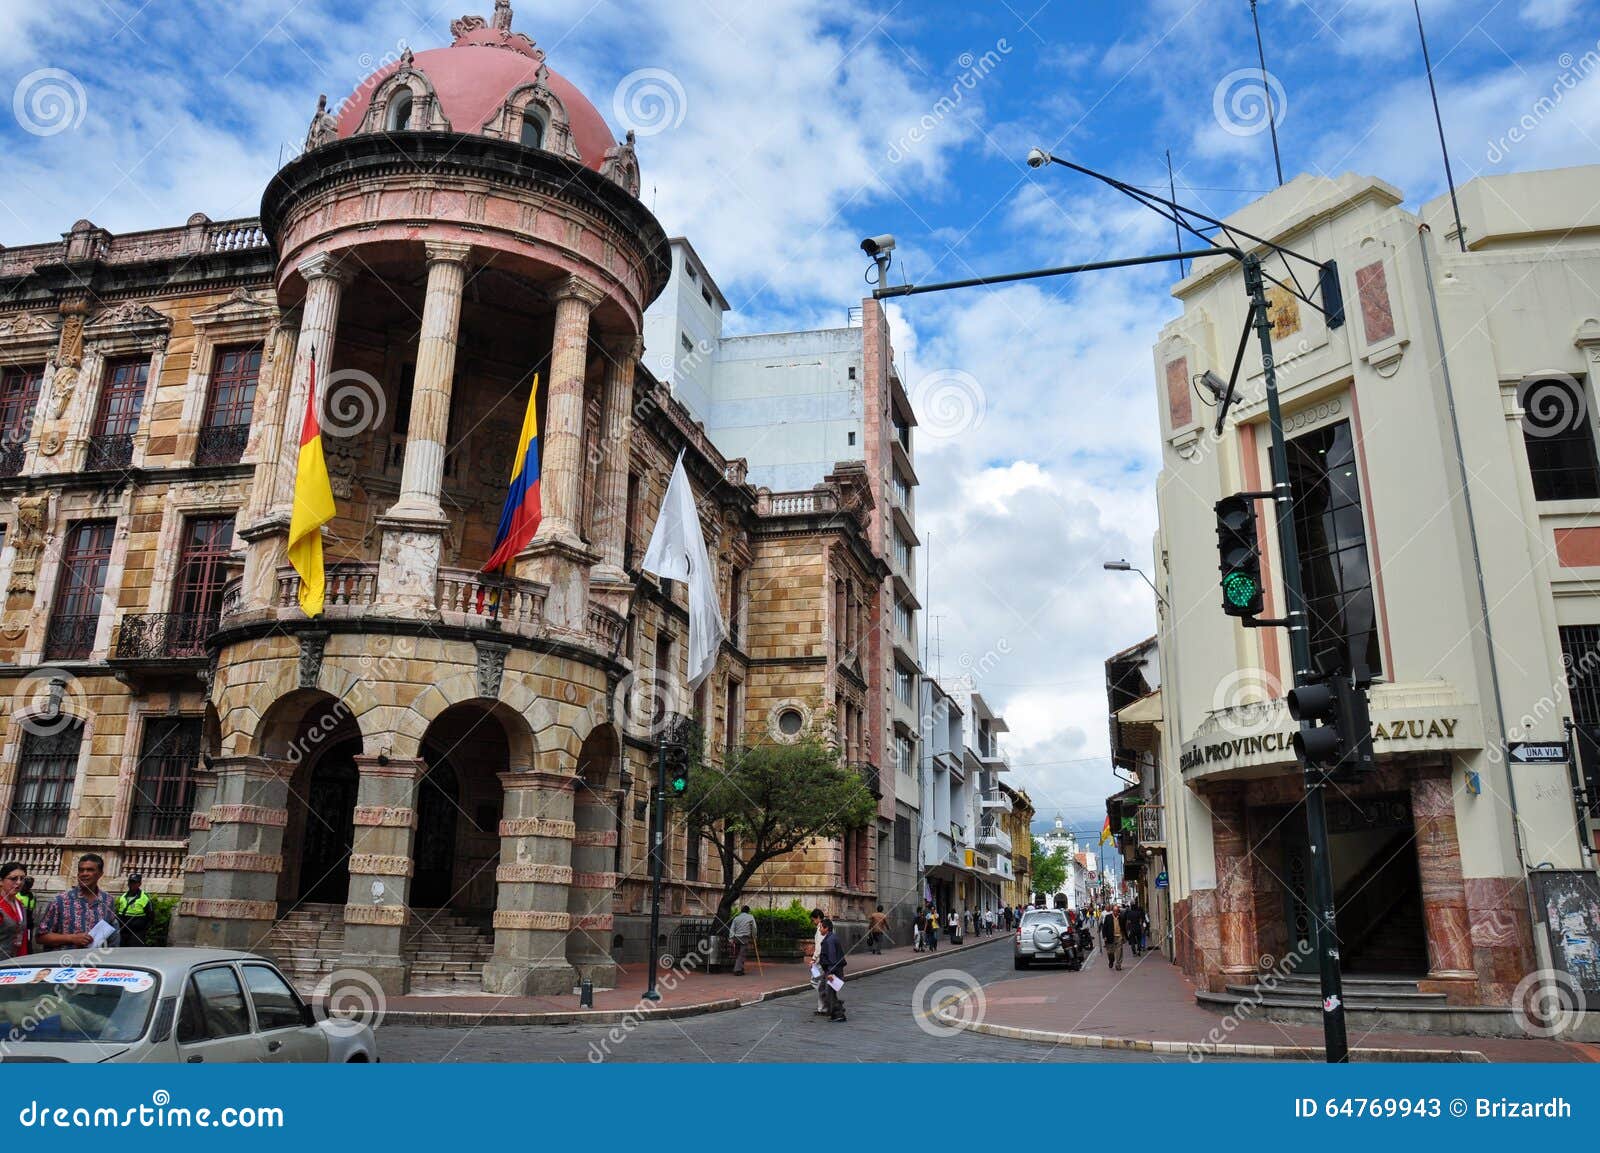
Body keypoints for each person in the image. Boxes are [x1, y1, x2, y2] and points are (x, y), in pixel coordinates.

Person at [38, 853, 119, 951]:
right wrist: (71, 938)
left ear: (100, 874)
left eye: (90, 870)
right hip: (64, 963)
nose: (84, 873)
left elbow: (112, 936)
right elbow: (40, 937)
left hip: (93, 962)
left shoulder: (108, 901)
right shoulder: (60, 901)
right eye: (81, 870)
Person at [816, 917, 847, 1021]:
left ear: (826, 928)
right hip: (830, 970)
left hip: (832, 971)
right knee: (823, 989)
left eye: (821, 927)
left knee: (829, 992)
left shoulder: (829, 940)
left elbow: (832, 957)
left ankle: (838, 1013)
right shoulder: (831, 938)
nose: (819, 929)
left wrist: (830, 972)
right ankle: (837, 1008)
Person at [0, 862, 30, 959]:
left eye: (22, 879)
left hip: (15, 964)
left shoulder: (20, 905)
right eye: (14, 879)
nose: (19, 882)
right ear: (1, 881)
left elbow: (24, 938)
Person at [115, 872, 154, 948]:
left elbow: (151, 915)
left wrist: (144, 928)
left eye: (135, 882)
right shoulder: (123, 896)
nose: (132, 884)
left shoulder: (145, 897)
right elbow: (119, 911)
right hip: (123, 930)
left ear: (139, 884)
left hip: (137, 932)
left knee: (135, 951)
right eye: (131, 882)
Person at [809, 908, 828, 1015]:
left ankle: (825, 997)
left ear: (818, 918)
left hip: (819, 960)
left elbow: (819, 947)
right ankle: (822, 1007)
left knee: (815, 981)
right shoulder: (827, 926)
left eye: (813, 919)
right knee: (819, 981)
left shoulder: (821, 929)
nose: (813, 922)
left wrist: (813, 959)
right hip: (822, 960)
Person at [727, 905, 757, 975]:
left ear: (741, 910)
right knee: (742, 954)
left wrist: (731, 938)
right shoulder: (750, 917)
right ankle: (737, 970)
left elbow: (732, 928)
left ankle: (741, 969)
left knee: (738, 954)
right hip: (744, 938)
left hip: (736, 937)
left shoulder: (736, 918)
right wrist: (754, 936)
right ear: (748, 911)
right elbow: (754, 928)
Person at [1101, 904, 1124, 971]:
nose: (1115, 912)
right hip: (1110, 937)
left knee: (1119, 952)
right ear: (1112, 911)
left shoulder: (1121, 917)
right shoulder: (1108, 917)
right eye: (1114, 911)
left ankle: (1118, 965)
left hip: (1119, 936)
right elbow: (1104, 928)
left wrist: (1124, 936)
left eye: (1117, 911)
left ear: (1118, 911)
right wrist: (1104, 936)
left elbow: (1123, 927)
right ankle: (1111, 961)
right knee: (1110, 952)